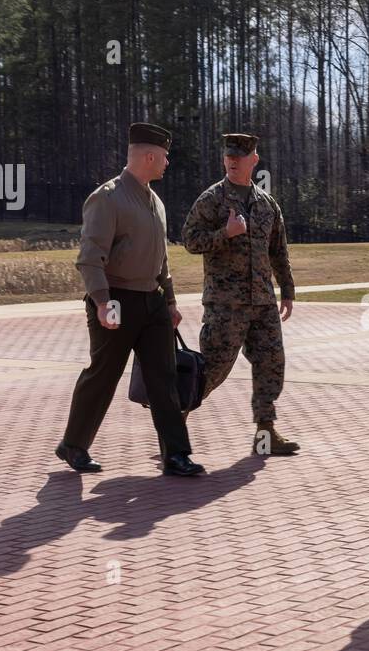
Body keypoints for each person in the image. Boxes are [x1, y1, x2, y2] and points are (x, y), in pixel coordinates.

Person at [57, 122, 203, 477]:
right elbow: (90, 258)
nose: (167, 162)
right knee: (103, 374)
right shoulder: (107, 198)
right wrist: (102, 302)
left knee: (164, 378)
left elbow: (161, 260)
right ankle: (73, 445)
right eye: (165, 156)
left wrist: (170, 302)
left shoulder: (156, 202)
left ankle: (175, 455)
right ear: (149, 156)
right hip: (117, 300)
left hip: (152, 301)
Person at [181, 133, 299, 456]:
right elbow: (189, 239)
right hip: (225, 303)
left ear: (253, 160)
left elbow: (278, 251)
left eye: (239, 156)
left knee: (271, 363)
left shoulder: (267, 204)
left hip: (262, 301)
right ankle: (174, 421)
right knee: (214, 368)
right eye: (228, 156)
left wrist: (287, 289)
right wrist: (225, 233)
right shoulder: (212, 200)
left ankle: (266, 433)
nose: (232, 160)